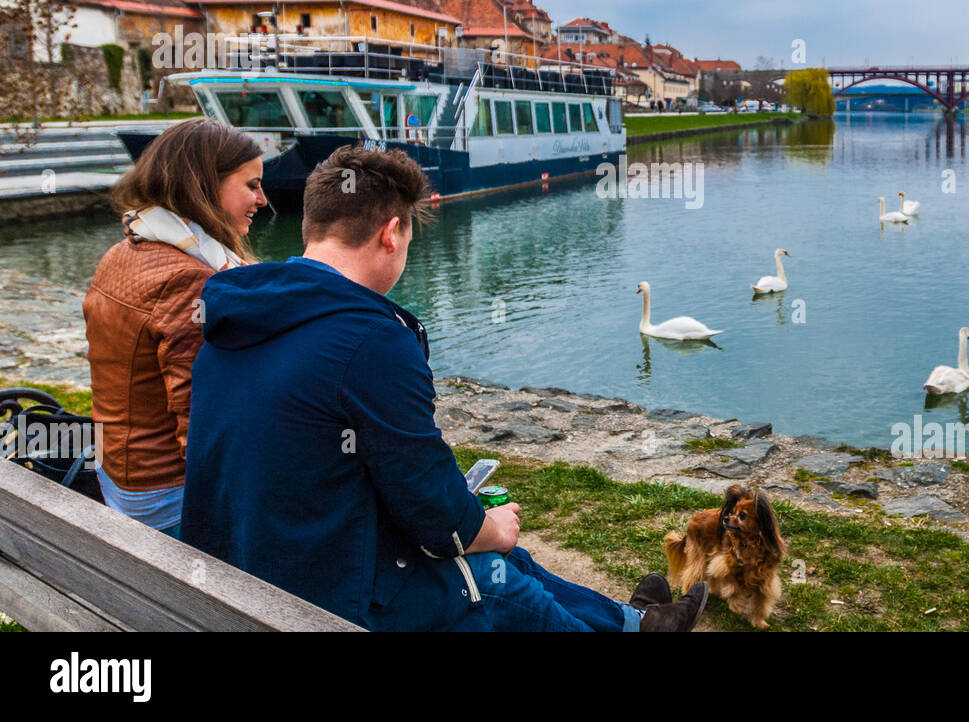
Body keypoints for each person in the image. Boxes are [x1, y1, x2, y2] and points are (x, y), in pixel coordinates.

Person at [181, 145, 707, 631]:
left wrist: (473, 525)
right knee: (491, 578)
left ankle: (634, 623)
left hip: (246, 571)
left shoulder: (239, 317)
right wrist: (490, 528)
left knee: (498, 557)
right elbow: (436, 517)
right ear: (392, 232)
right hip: (323, 600)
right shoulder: (370, 339)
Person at [82, 119, 267, 537]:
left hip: (121, 472)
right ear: (203, 185)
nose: (262, 199)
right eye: (251, 185)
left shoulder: (126, 248)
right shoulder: (190, 280)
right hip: (165, 495)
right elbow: (200, 421)